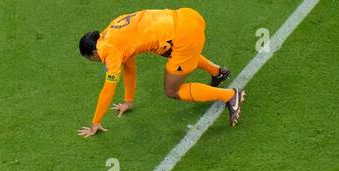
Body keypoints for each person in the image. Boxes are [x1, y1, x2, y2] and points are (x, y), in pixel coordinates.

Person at [77, 8, 243, 137]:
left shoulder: (108, 52)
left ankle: (230, 96)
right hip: (187, 16)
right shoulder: (110, 33)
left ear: (92, 53)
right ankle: (217, 72)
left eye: (88, 59)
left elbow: (108, 89)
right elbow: (129, 69)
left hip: (185, 35)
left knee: (172, 90)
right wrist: (128, 101)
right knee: (167, 51)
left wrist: (95, 122)